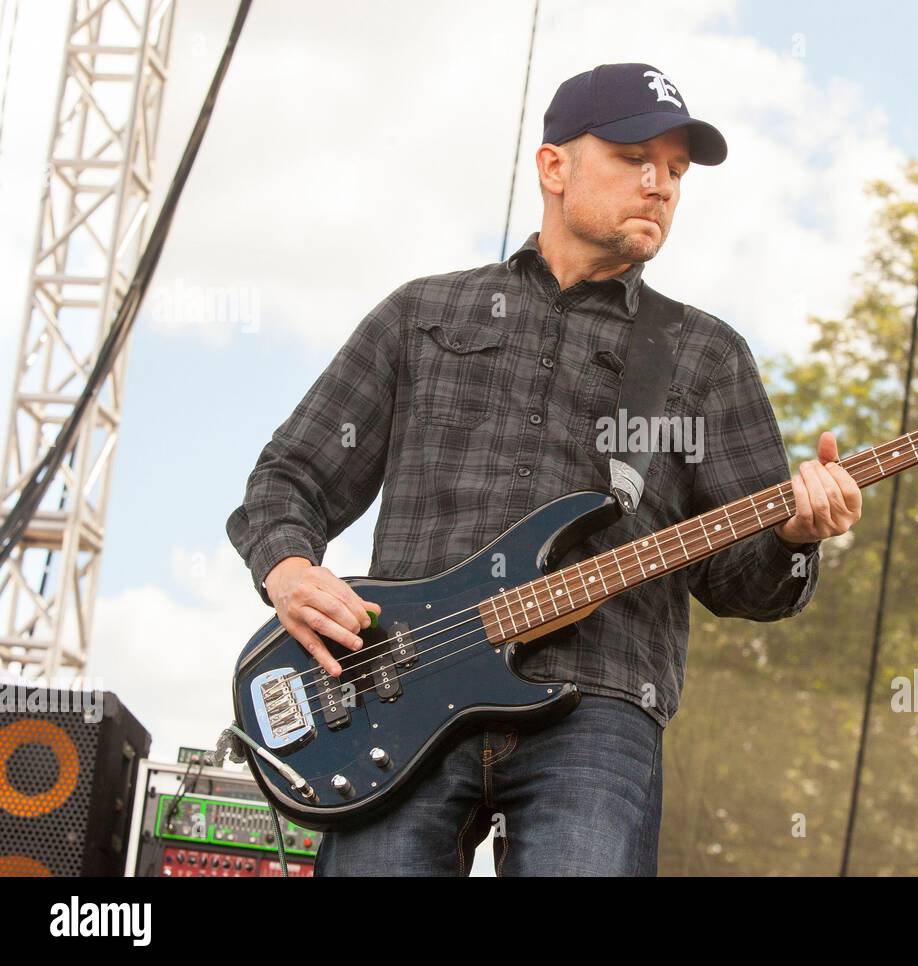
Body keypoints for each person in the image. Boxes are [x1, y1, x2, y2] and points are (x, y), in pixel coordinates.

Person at [226, 63, 862, 876]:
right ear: (553, 166)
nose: (660, 185)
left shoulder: (703, 355)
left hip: (600, 704)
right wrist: (285, 568)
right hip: (388, 692)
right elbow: (290, 476)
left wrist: (794, 538)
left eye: (674, 170)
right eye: (636, 156)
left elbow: (741, 584)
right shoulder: (424, 313)